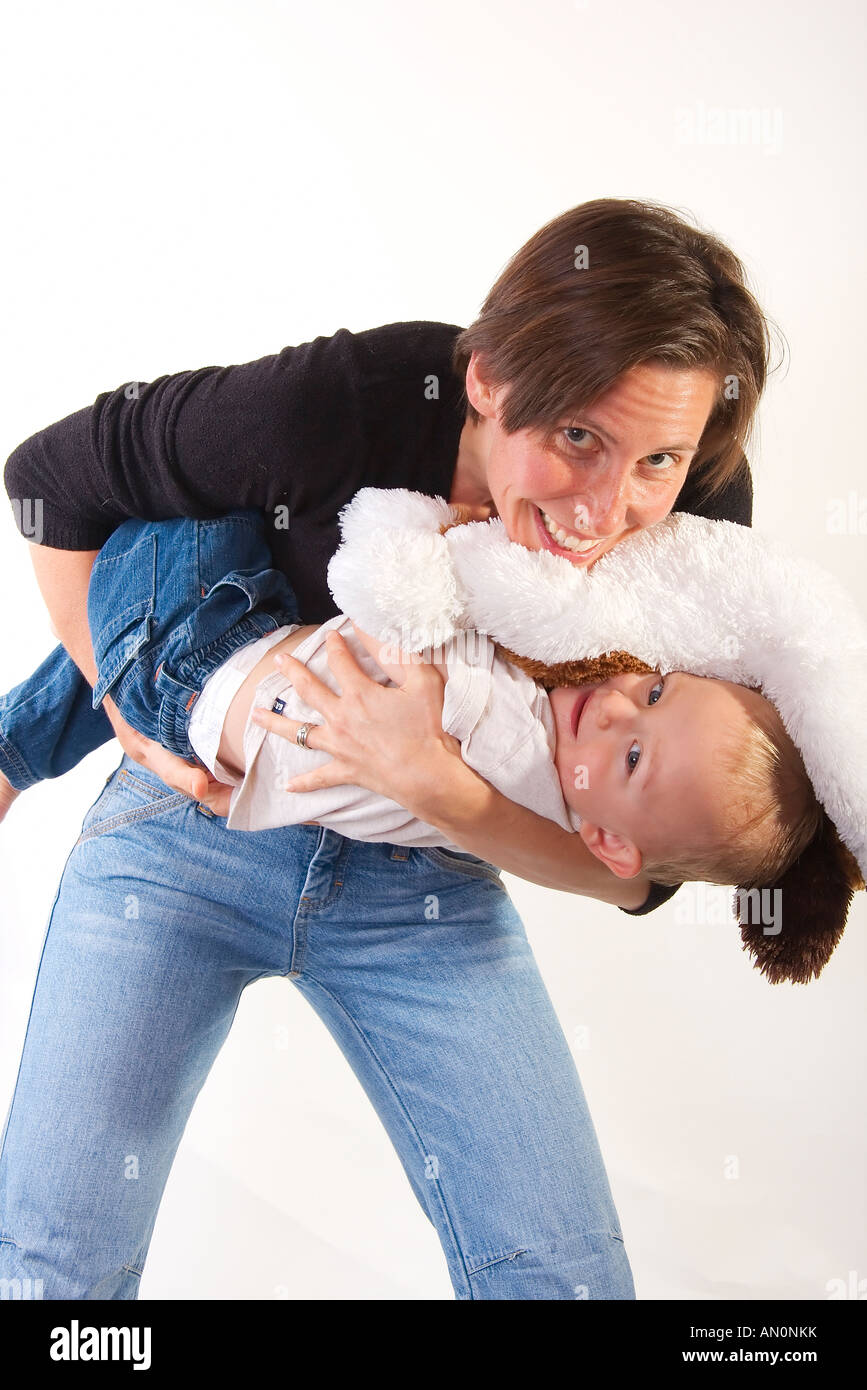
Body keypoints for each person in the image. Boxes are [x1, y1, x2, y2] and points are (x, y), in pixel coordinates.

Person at [0, 198, 767, 1299]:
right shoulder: (336, 405)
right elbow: (47, 477)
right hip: (190, 827)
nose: (607, 508)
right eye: (578, 440)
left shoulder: (695, 518)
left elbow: (644, 866)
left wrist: (440, 791)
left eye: (657, 458)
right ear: (489, 380)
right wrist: (133, 707)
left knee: (565, 1283)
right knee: (53, 1273)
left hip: (427, 878)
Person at [0, 507, 820, 898]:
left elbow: (408, 621)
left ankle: (26, 738)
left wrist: (440, 531)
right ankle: (19, 748)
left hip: (191, 654)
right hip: (194, 709)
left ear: (608, 838)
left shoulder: (505, 740)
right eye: (651, 689)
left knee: (195, 496)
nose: (611, 708)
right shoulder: (552, 803)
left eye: (633, 756)